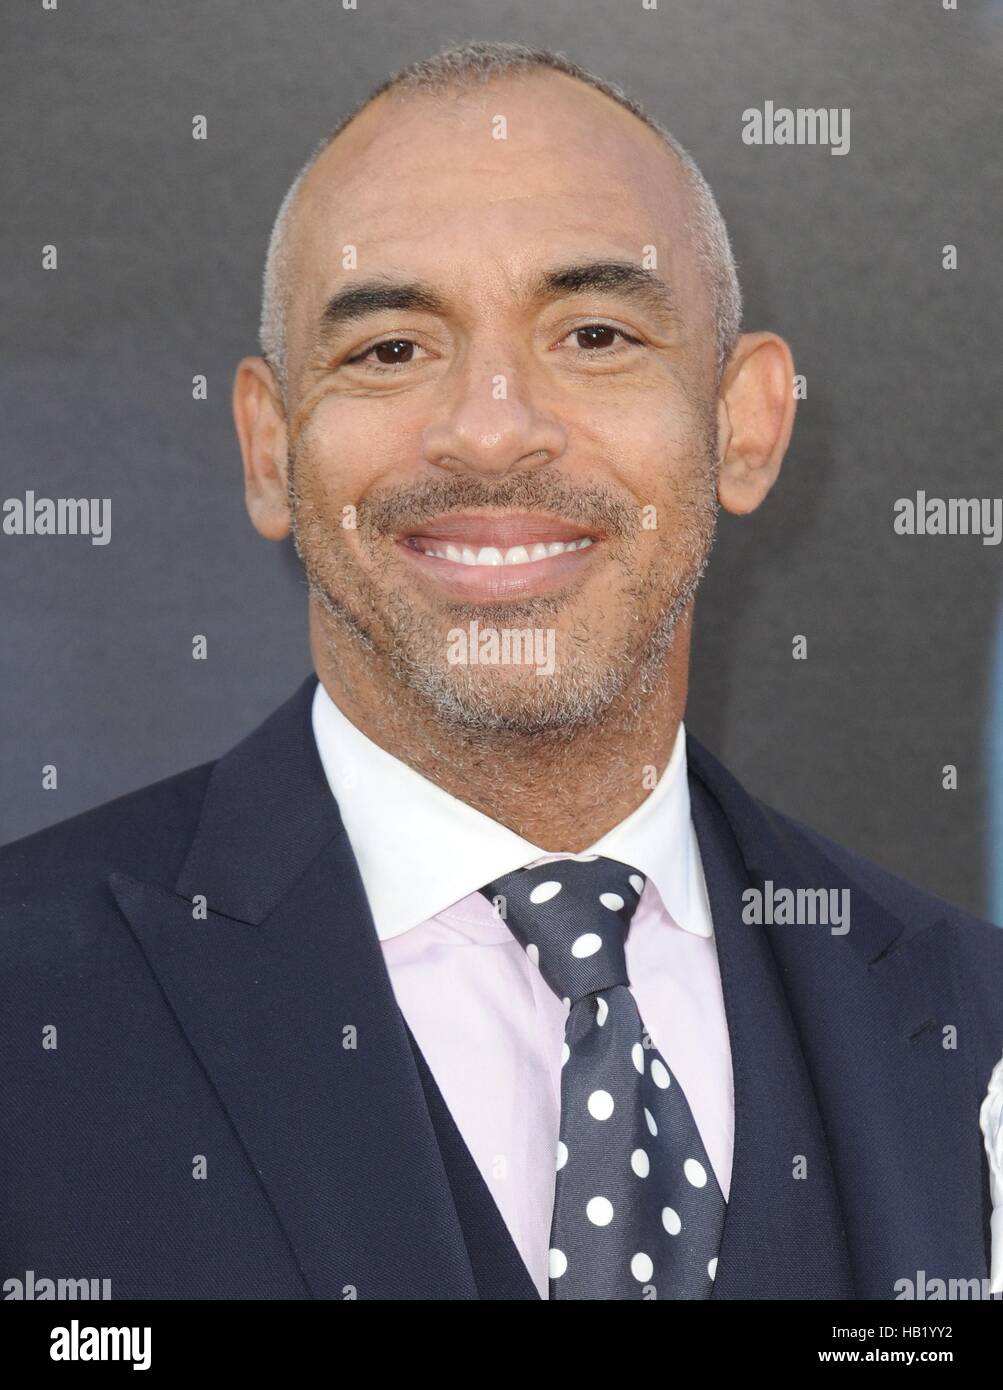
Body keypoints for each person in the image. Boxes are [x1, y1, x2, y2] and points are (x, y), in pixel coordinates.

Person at [3, 40, 1001, 1302]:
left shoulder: (971, 1013)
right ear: (268, 450)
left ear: (744, 424)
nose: (488, 427)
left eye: (594, 332)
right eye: (389, 349)